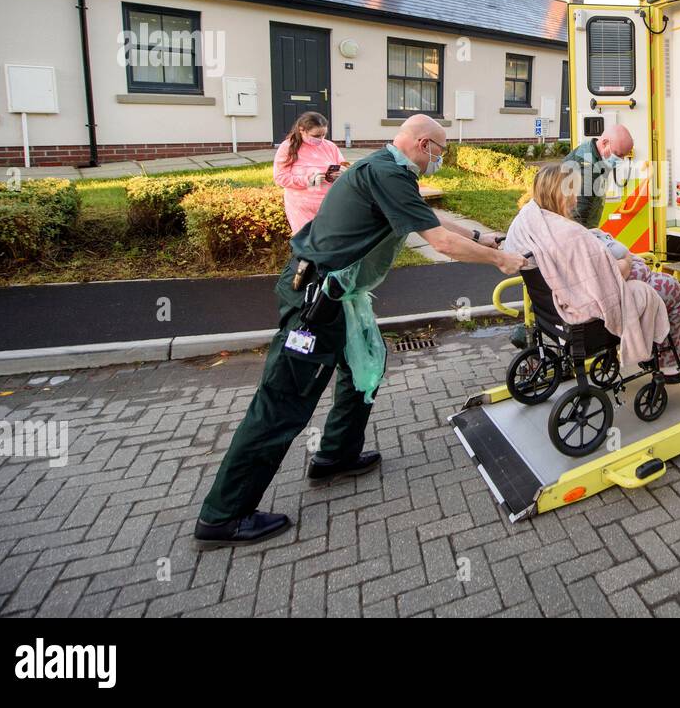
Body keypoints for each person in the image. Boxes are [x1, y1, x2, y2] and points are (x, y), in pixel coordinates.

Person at [194, 115, 527, 548]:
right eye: (441, 153)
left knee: (361, 367)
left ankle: (336, 455)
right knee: (282, 403)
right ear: (424, 145)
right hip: (315, 302)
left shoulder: (384, 169)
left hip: (335, 297)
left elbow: (429, 220)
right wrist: (501, 262)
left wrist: (484, 239)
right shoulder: (389, 173)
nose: (440, 161)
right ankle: (224, 516)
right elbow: (440, 243)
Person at [506, 163, 680, 374]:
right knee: (671, 289)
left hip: (552, 307)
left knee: (652, 279)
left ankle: (658, 345)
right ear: (561, 195)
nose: (576, 200)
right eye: (573, 193)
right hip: (595, 306)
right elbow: (609, 278)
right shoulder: (570, 236)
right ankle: (671, 360)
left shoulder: (531, 222)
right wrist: (627, 261)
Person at [273, 111, 348, 235]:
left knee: (329, 242)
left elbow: (343, 166)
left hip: (329, 205)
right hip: (301, 208)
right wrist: (308, 180)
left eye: (323, 135)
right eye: (316, 135)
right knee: (307, 243)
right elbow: (280, 178)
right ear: (302, 130)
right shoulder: (288, 147)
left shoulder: (330, 146)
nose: (321, 139)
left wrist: (341, 174)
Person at [563, 123, 634, 230]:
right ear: (605, 143)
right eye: (618, 154)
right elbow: (580, 213)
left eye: (624, 156)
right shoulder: (587, 166)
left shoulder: (595, 155)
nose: (621, 160)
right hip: (578, 231)